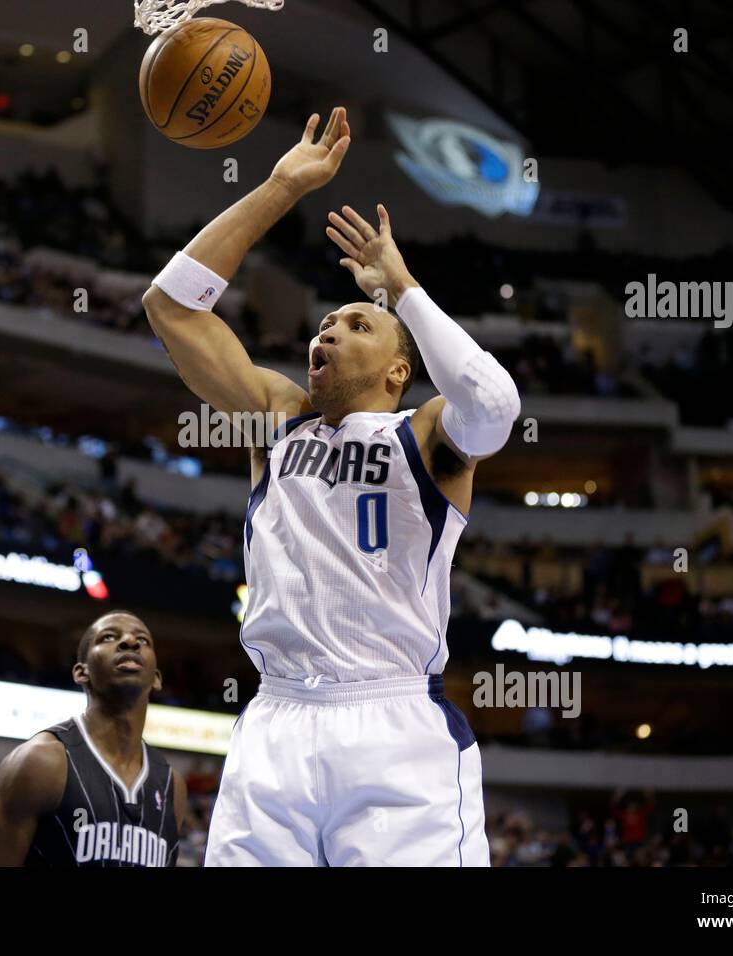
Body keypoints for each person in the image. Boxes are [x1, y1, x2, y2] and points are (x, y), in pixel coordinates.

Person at [142, 107, 520, 866]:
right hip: (275, 720)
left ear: (398, 372)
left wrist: (403, 287)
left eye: (355, 323)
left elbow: (496, 404)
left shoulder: (427, 436)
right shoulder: (278, 418)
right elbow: (171, 306)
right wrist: (280, 188)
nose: (327, 331)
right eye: (323, 324)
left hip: (393, 725)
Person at [0, 611, 186, 866]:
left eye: (143, 640)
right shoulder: (40, 763)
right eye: (108, 637)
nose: (130, 642)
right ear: (82, 672)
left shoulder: (172, 786)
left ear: (156, 678)